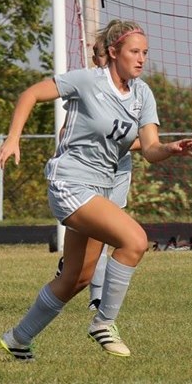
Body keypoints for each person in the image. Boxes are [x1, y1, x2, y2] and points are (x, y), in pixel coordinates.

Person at [0, 20, 192, 360]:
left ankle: (18, 338)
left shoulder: (142, 94)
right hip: (70, 182)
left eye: (145, 53)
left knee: (78, 277)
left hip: (100, 190)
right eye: (134, 51)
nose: (141, 59)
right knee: (134, 240)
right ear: (114, 51)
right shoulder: (87, 80)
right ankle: (104, 321)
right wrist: (13, 137)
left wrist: (170, 148)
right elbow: (30, 94)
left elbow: (149, 149)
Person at [54, 37, 137, 312]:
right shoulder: (91, 87)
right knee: (91, 235)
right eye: (101, 58)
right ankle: (96, 298)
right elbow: (68, 129)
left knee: (106, 238)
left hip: (117, 171)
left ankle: (96, 296)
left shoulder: (135, 93)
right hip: (85, 175)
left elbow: (142, 138)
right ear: (100, 58)